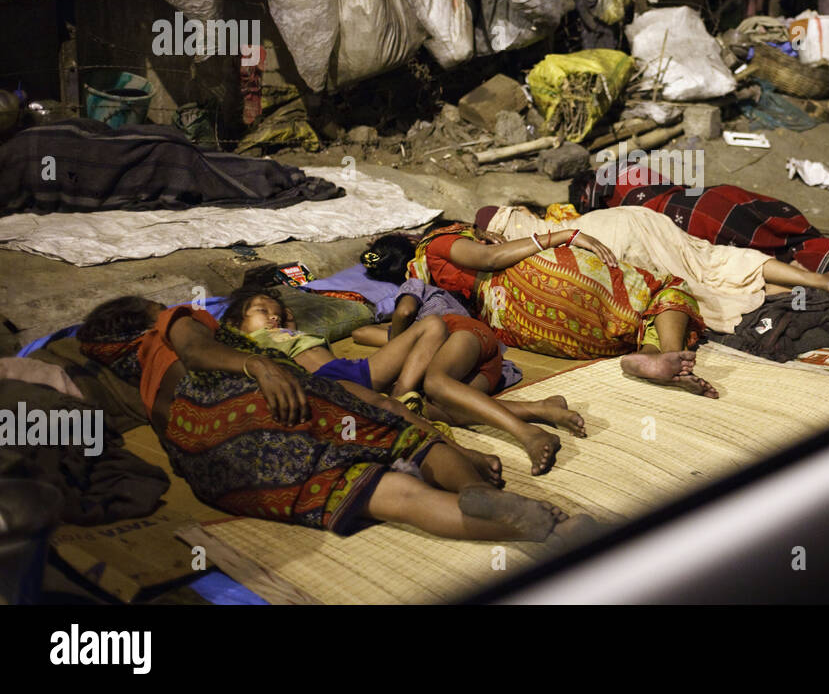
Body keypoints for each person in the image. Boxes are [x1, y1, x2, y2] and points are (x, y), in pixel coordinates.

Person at [78, 295, 595, 543]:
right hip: (253, 404)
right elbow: (195, 352)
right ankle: (510, 505)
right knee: (396, 429)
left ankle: (539, 534)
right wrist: (257, 363)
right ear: (147, 313)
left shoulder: (130, 377)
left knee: (393, 497)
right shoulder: (171, 325)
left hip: (214, 467)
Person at [224, 288, 581, 476]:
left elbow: (378, 327)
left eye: (276, 310)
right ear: (237, 324)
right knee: (443, 407)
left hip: (358, 370)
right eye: (260, 310)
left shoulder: (292, 331)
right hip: (333, 379)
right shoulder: (244, 346)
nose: (272, 314)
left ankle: (404, 393)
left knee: (434, 370)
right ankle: (538, 411)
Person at [362, 225, 717, 397]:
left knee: (623, 329)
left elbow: (393, 334)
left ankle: (649, 356)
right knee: (664, 288)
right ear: (409, 240)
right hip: (537, 280)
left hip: (520, 324)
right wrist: (564, 235)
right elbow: (490, 259)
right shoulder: (434, 244)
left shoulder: (417, 286)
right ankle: (671, 353)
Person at [479, 203, 829, 335]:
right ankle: (816, 280)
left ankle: (791, 294)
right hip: (628, 219)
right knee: (711, 259)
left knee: (693, 286)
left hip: (610, 240)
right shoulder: (525, 218)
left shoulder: (502, 241)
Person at [568, 166, 829, 287]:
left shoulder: (604, 209)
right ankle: (826, 254)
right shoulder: (628, 169)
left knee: (755, 256)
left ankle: (819, 270)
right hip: (711, 196)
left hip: (690, 223)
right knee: (781, 230)